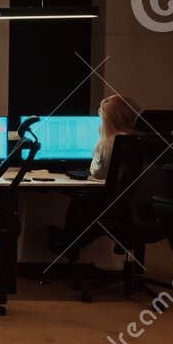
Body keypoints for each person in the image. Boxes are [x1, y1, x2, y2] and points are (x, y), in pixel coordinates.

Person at [48, 93, 142, 258]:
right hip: (142, 209)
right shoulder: (145, 140)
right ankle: (70, 243)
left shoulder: (112, 142)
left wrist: (101, 141)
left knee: (81, 200)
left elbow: (97, 173)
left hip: (118, 210)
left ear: (109, 120)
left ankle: (69, 243)